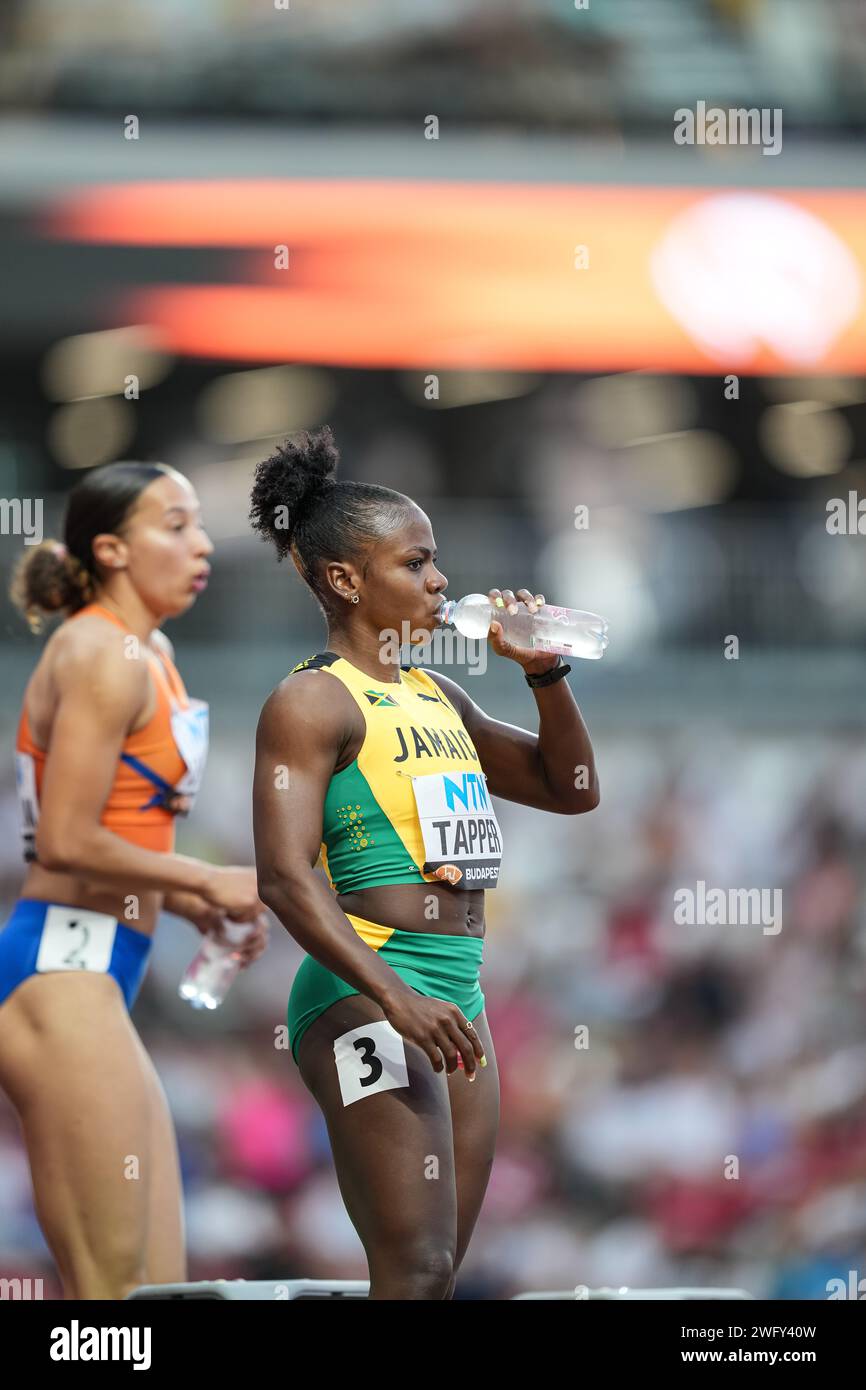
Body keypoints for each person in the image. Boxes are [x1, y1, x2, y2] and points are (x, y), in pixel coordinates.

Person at [250, 425, 599, 1300]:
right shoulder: (312, 700)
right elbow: (284, 878)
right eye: (416, 563)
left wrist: (546, 672)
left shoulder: (442, 694)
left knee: (438, 1276)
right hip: (369, 987)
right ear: (344, 579)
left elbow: (574, 786)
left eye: (435, 561)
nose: (442, 582)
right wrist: (395, 996)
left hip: (457, 993)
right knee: (414, 1266)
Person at [0, 461, 269, 1300]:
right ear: (112, 549)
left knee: (158, 1291)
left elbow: (116, 829)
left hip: (103, 968)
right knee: (112, 1294)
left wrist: (191, 903)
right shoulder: (99, 653)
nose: (203, 545)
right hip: (58, 972)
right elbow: (68, 839)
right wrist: (207, 877)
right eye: (177, 525)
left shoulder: (151, 651)